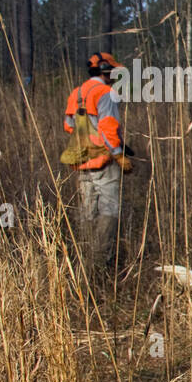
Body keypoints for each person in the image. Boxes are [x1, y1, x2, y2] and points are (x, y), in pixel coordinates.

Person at [64, 52, 132, 271]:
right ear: (105, 71)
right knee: (109, 210)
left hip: (82, 160)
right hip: (104, 160)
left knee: (87, 211)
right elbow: (109, 126)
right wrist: (119, 155)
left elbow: (68, 124)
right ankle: (98, 263)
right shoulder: (106, 93)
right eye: (112, 70)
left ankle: (81, 259)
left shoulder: (77, 92)